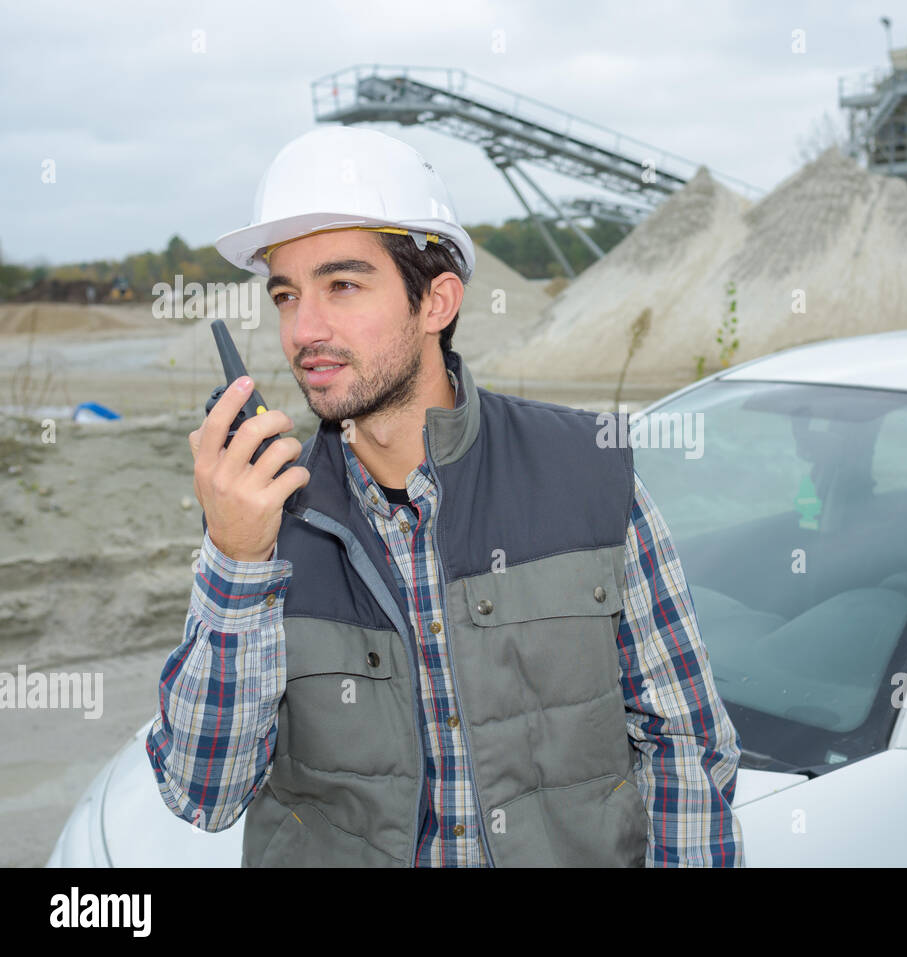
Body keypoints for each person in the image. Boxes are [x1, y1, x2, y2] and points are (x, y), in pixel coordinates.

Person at [145, 126, 744, 867]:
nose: (305, 329)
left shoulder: (588, 474)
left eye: (342, 285)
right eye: (286, 294)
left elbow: (684, 748)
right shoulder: (263, 523)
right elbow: (203, 790)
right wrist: (236, 561)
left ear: (436, 301)